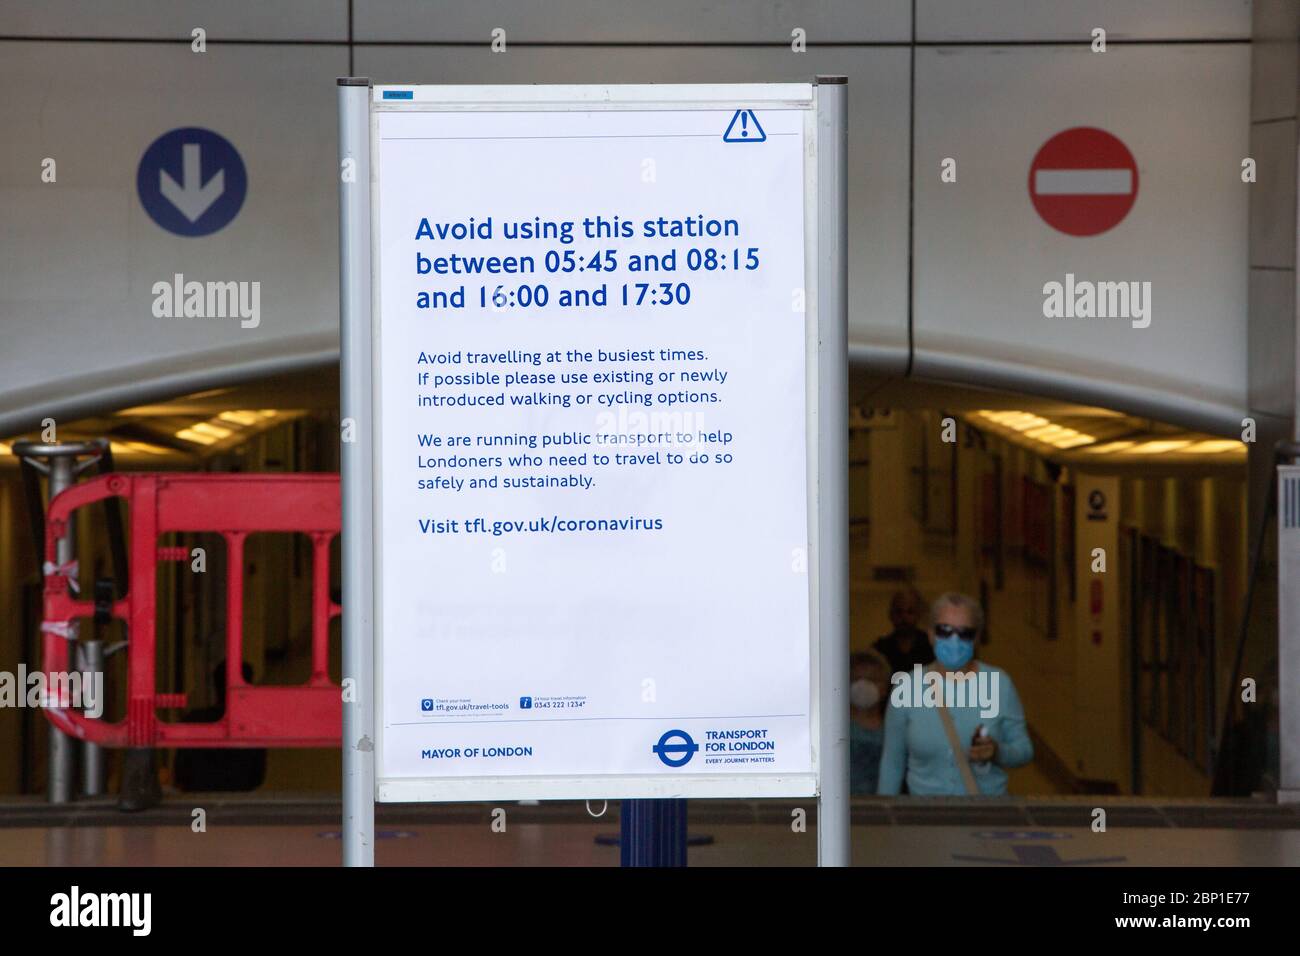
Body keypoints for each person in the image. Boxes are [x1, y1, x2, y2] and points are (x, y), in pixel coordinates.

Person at [877, 592, 1033, 796]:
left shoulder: (999, 684)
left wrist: (997, 751)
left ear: (976, 638)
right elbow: (892, 762)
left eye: (964, 633)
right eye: (944, 630)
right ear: (931, 634)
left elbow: (1024, 750)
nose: (954, 639)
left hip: (987, 813)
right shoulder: (907, 687)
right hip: (925, 816)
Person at [848, 649, 890, 795]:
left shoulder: (894, 730)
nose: (864, 685)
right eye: (857, 678)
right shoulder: (831, 730)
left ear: (885, 687)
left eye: (872, 680)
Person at [872, 587, 934, 675]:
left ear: (918, 614)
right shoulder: (880, 650)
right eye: (899, 612)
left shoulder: (932, 647)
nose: (904, 617)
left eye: (910, 612)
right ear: (891, 615)